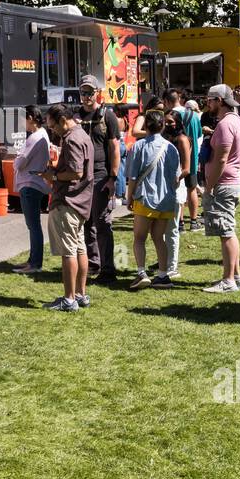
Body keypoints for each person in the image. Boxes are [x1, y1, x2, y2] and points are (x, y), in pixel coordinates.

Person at [41, 104, 93, 311]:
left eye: (53, 127)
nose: (53, 131)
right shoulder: (81, 134)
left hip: (68, 201)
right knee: (80, 248)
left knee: (68, 251)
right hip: (80, 201)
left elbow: (76, 172)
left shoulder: (71, 139)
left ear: (63, 121)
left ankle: (69, 299)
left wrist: (52, 175)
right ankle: (80, 294)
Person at [124, 110, 181, 289]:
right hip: (166, 200)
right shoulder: (171, 148)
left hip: (145, 197)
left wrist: (129, 197)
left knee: (139, 238)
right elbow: (176, 178)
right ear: (162, 125)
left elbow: (132, 176)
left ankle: (141, 273)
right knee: (159, 238)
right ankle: (163, 275)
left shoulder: (139, 146)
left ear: (146, 126)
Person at [201, 84, 240, 293]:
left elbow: (221, 158)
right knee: (229, 230)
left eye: (210, 100)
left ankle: (228, 280)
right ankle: (236, 276)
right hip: (232, 182)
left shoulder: (225, 124)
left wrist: (209, 186)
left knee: (226, 232)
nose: (207, 104)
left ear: (219, 100)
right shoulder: (235, 120)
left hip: (224, 184)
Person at [75, 74, 121, 284]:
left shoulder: (107, 116)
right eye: (83, 92)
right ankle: (93, 263)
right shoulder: (75, 116)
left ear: (97, 93)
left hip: (101, 175)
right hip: (81, 177)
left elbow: (114, 148)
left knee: (102, 222)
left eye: (89, 92)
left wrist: (113, 177)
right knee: (86, 223)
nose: (86, 96)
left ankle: (108, 268)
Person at [12, 105, 50, 274]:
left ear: (30, 118)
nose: (22, 123)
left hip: (30, 184)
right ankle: (32, 261)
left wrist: (17, 158)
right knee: (33, 225)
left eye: (23, 118)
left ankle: (35, 264)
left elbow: (20, 163)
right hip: (33, 183)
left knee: (33, 225)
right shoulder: (41, 135)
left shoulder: (35, 137)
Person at [163, 109, 195, 276]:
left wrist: (174, 181)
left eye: (170, 122)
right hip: (163, 188)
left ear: (178, 122)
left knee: (172, 229)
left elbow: (187, 169)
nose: (167, 125)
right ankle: (164, 261)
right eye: (165, 122)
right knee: (161, 230)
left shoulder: (182, 139)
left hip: (176, 187)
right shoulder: (164, 138)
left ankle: (172, 266)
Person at [182, 98, 204, 230]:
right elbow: (199, 134)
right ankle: (194, 222)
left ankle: (180, 224)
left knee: (178, 191)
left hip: (179, 158)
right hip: (192, 158)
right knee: (192, 189)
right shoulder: (196, 117)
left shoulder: (176, 114)